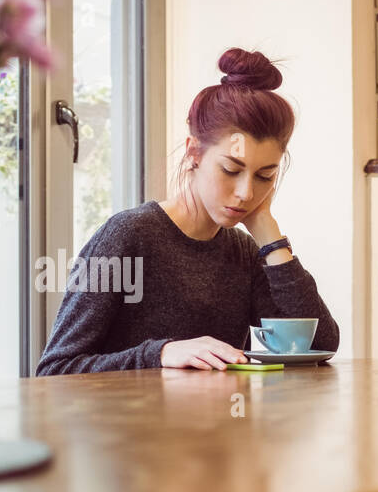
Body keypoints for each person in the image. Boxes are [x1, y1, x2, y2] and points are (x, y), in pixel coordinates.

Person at [36, 47, 340, 375]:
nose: (246, 193)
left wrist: (268, 233)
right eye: (231, 169)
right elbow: (55, 370)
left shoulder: (244, 252)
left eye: (265, 176)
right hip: (136, 425)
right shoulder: (128, 235)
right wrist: (161, 353)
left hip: (217, 424)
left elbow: (319, 344)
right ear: (194, 152)